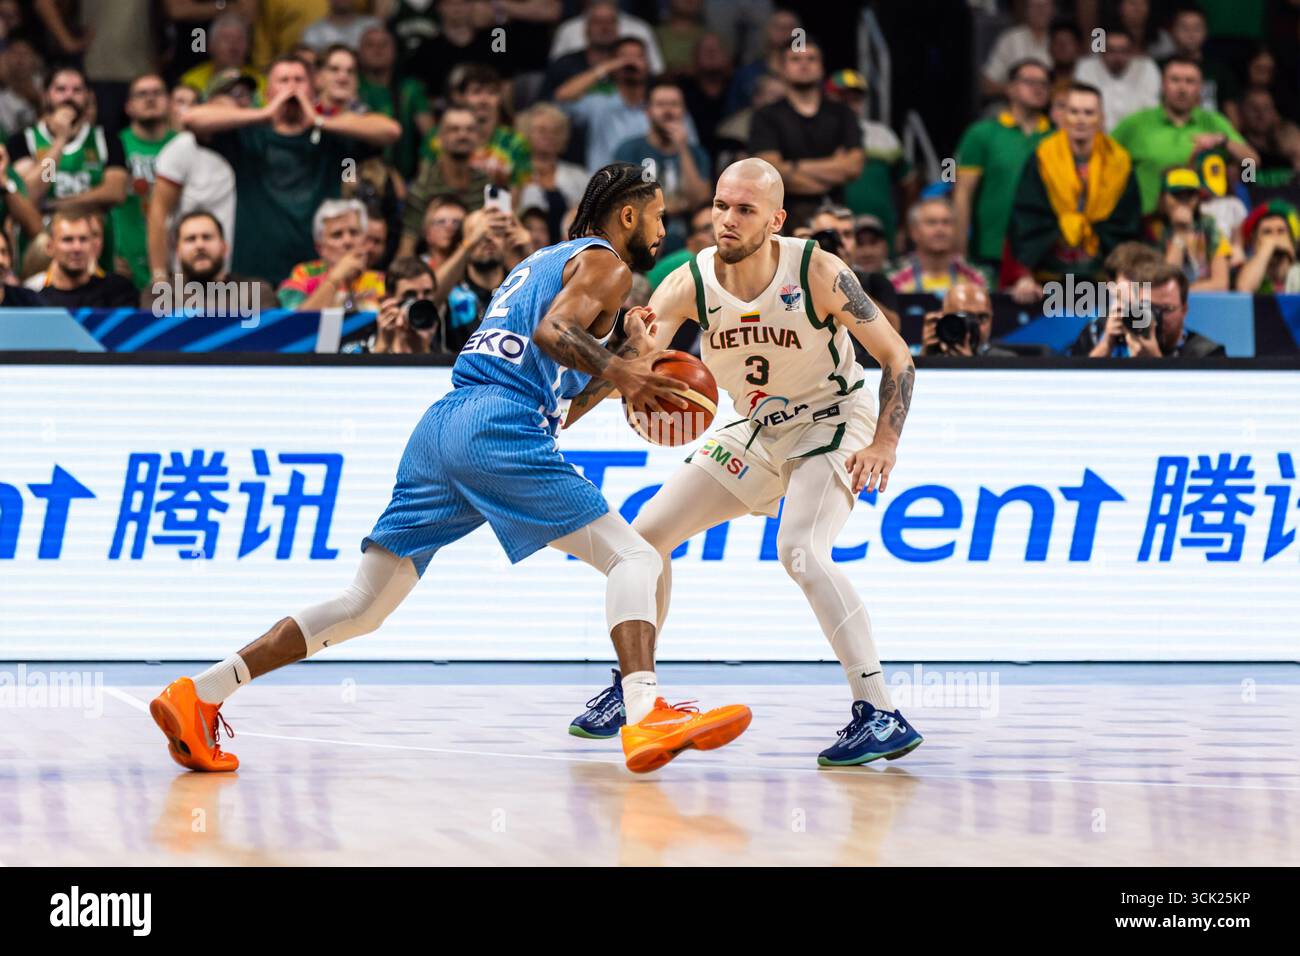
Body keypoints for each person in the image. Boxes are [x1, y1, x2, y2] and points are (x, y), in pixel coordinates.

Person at [149, 162, 752, 776]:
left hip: (443, 427)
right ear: (628, 215)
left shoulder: (543, 262)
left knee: (363, 606)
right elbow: (555, 331)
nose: (662, 228)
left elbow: (563, 404)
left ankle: (200, 694)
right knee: (637, 557)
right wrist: (625, 373)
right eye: (656, 217)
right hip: (497, 424)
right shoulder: (608, 264)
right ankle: (645, 712)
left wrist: (623, 355)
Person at [563, 158, 923, 767]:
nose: (727, 220)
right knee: (644, 539)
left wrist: (884, 443)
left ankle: (879, 709)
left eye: (745, 210)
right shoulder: (689, 281)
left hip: (833, 419)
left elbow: (897, 358)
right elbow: (628, 360)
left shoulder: (817, 270)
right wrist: (564, 417)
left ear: (776, 219)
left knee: (801, 550)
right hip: (754, 427)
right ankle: (635, 692)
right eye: (721, 206)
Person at [182, 54, 400, 287]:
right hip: (255, 271)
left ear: (313, 90)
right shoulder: (248, 134)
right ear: (268, 93)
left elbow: (391, 131)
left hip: (318, 273)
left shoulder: (333, 136)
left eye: (299, 80)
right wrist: (264, 114)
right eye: (283, 80)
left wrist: (319, 120)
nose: (292, 87)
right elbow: (191, 119)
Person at [1006, 82, 1142, 291]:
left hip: (1104, 278)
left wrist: (1124, 275)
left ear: (1101, 118)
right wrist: (1023, 276)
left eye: (1089, 113)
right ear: (1062, 116)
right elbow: (1027, 220)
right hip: (1046, 279)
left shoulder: (1120, 162)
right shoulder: (1042, 158)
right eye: (1073, 112)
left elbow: (1126, 225)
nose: (1080, 119)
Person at [1110, 57, 1258, 215]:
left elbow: (1251, 164)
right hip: (1146, 223)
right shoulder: (1136, 123)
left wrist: (1223, 141)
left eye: (1190, 81)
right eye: (1175, 80)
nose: (1182, 88)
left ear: (1200, 87)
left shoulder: (1214, 121)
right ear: (1163, 85)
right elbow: (1102, 158)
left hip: (1203, 223)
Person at [748, 40, 864, 229]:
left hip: (837, 219)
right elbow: (770, 172)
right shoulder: (765, 116)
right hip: (783, 221)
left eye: (811, 58)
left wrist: (793, 167)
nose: (804, 64)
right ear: (782, 68)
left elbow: (853, 166)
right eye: (795, 59)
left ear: (821, 67)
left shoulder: (843, 113)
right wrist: (834, 168)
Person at [954, 58, 1053, 274]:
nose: (1038, 88)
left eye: (1044, 83)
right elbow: (962, 194)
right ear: (1010, 88)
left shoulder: (1058, 137)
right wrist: (959, 252)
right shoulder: (981, 133)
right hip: (990, 249)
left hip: (1044, 251)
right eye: (1030, 81)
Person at [1071, 256, 1225, 357]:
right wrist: (1105, 345)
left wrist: (1154, 361)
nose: (1155, 318)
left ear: (1184, 310)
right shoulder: (1109, 332)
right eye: (1147, 307)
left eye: (1166, 309)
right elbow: (1074, 393)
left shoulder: (1207, 354)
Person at [143, 209, 276, 315]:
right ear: (177, 251)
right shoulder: (159, 294)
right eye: (190, 239)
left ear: (224, 247)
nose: (200, 245)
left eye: (207, 237)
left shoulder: (256, 292)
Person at [113, 74, 178, 290]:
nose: (150, 99)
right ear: (128, 106)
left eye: (157, 93)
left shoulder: (183, 144)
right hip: (127, 255)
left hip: (176, 252)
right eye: (142, 94)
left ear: (169, 102)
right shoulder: (115, 145)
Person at [398, 107, 489, 257]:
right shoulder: (423, 186)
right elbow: (407, 247)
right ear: (439, 137)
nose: (463, 135)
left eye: (470, 129)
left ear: (478, 137)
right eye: (454, 129)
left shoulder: (485, 184)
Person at [278, 198, 385, 312]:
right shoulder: (304, 274)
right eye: (337, 235)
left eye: (354, 232)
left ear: (363, 240)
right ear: (320, 248)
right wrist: (335, 278)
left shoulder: (379, 280)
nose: (348, 241)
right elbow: (295, 323)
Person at [1141, 166, 1231, 291]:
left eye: (1190, 194)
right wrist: (1180, 233)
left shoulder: (1209, 227)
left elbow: (1221, 283)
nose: (1184, 201)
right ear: (1163, 197)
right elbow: (1165, 282)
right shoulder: (1151, 229)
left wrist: (1185, 291)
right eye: (1177, 194)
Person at [35, 209, 138, 308]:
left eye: (83, 239)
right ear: (50, 247)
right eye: (68, 240)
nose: (77, 248)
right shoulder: (38, 303)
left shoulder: (119, 291)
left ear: (93, 245)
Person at [888, 197, 988, 294]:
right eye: (931, 223)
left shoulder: (975, 278)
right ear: (914, 232)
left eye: (946, 222)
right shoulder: (894, 279)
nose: (940, 229)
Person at [1072, 25, 1159, 132]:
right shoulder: (1086, 67)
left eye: (1123, 51)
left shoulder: (1146, 67)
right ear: (1101, 51)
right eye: (1111, 51)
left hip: (1136, 137)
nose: (1118, 57)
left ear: (1132, 52)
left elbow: (1151, 111)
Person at [920, 281, 1017, 357]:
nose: (975, 325)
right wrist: (924, 359)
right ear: (944, 319)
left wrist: (970, 365)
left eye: (982, 317)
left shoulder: (1007, 362)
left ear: (991, 319)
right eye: (963, 317)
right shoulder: (928, 355)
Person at [1235, 201, 1300, 293]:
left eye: (1281, 231)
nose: (1274, 237)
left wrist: (1291, 255)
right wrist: (1267, 247)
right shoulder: (1245, 271)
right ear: (1254, 240)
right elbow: (1244, 289)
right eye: (1267, 232)